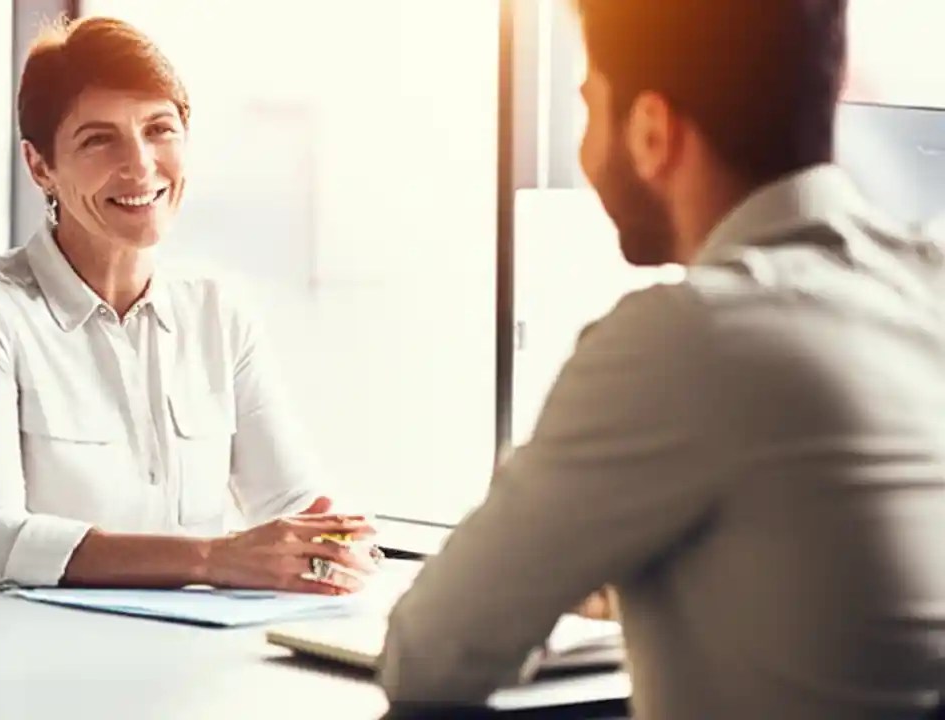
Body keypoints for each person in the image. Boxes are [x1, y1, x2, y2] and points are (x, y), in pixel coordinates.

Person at [379, 1, 945, 718]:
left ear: (651, 131)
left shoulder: (689, 338)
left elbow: (428, 656)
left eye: (588, 108)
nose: (585, 152)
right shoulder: (926, 289)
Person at [0, 16, 377, 594]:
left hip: (161, 660)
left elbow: (298, 506)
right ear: (40, 165)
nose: (141, 165)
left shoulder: (220, 314)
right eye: (99, 139)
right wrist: (213, 559)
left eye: (160, 130)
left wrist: (338, 546)